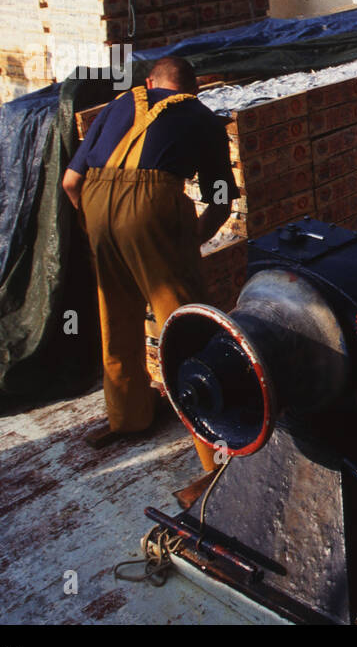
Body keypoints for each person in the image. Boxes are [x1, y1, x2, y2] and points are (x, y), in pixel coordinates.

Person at [62, 56, 236, 471]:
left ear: (150, 82)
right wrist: (188, 243)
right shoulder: (202, 117)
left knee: (116, 317)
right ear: (193, 89)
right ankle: (215, 454)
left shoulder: (118, 104)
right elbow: (219, 200)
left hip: (96, 205)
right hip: (151, 209)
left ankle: (128, 418)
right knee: (184, 325)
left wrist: (99, 227)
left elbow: (71, 181)